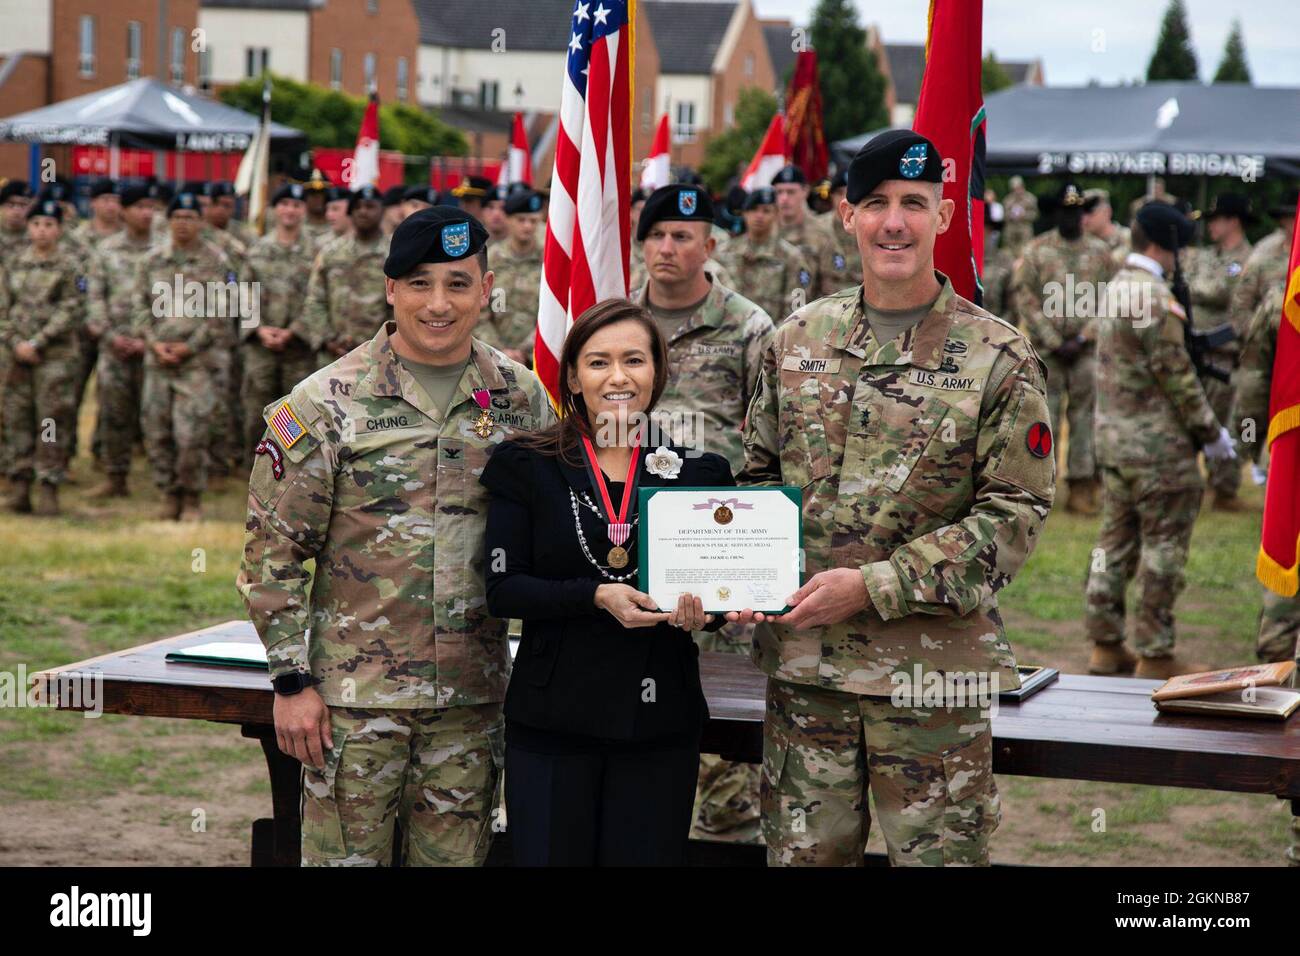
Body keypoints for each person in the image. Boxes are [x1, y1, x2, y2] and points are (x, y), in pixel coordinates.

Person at [734, 129, 1056, 867]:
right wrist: (743, 570)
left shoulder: (998, 356)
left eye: (914, 203)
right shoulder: (795, 341)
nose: (894, 222)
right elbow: (757, 480)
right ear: (846, 215)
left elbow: (1013, 517)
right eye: (876, 203)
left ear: (945, 217)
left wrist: (874, 587)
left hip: (931, 683)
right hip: (807, 676)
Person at [238, 206, 554, 866]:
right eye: (418, 283)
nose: (438, 303)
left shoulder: (520, 398)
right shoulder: (325, 403)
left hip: (470, 703)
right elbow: (273, 555)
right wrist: (291, 683)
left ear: (488, 289)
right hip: (354, 707)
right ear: (390, 290)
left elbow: (557, 524)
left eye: (458, 283)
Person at [479, 297, 733, 865]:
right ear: (572, 375)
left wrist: (711, 611)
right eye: (598, 362)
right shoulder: (527, 465)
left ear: (657, 371)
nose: (618, 377)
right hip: (553, 721)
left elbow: (721, 595)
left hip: (658, 719)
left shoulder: (699, 472)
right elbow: (503, 590)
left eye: (634, 360)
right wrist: (594, 594)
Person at [628, 182, 775, 843]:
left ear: (710, 245)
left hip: (718, 534)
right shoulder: (616, 320)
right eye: (656, 234)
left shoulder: (749, 326)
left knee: (723, 694)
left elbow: (774, 439)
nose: (667, 247)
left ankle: (726, 826)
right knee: (629, 680)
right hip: (623, 534)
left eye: (682, 236)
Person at [1084, 202, 1236, 679]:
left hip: (1113, 443)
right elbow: (1178, 376)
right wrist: (1212, 435)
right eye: (1179, 245)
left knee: (1112, 544)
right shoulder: (1154, 296)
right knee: (1163, 549)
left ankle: (1105, 645)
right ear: (1164, 244)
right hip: (1159, 452)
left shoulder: (1115, 288)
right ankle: (1155, 652)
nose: (1181, 255)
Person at [133, 190, 238, 521]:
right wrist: (152, 343)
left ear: (200, 222)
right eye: (178, 217)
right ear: (168, 221)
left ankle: (192, 496)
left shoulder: (217, 261)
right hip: (157, 359)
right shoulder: (151, 262)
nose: (183, 224)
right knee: (156, 429)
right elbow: (137, 307)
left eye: (190, 217)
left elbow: (223, 311)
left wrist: (190, 346)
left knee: (191, 433)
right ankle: (169, 494)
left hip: (197, 363)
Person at [1011, 182, 1115, 514]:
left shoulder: (1101, 252)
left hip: (1086, 352)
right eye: (1066, 212)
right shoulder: (1036, 250)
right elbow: (1025, 297)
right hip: (1047, 352)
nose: (1073, 219)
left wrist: (1085, 336)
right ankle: (1041, 488)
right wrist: (1054, 340)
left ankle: (1082, 487)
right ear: (1057, 214)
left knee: (1086, 419)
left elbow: (1111, 299)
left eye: (1077, 212)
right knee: (1044, 418)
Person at [0, 199, 84, 515]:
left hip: (55, 356)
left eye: (49, 225)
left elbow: (71, 309)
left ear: (59, 229)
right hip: (16, 355)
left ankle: (49, 485)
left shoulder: (70, 266)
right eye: (36, 224)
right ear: (28, 227)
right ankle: (19, 484)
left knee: (50, 420)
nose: (42, 231)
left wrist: (38, 341)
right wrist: (16, 342)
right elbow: (3, 308)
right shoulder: (13, 263)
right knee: (16, 418)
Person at [84, 183, 162, 499]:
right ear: (124, 211)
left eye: (151, 207)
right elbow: (93, 299)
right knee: (114, 413)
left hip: (155, 348)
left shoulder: (165, 251)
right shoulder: (106, 251)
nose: (146, 213)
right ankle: (115, 477)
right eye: (139, 207)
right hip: (114, 347)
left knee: (157, 416)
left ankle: (166, 484)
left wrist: (150, 341)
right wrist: (110, 336)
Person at [1186, 192, 1255, 511]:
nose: (1211, 226)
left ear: (1234, 222)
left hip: (1225, 355)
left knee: (1225, 422)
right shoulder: (1206, 256)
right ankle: (1190, 483)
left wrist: (1193, 288)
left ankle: (1224, 488)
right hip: (1194, 353)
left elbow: (1216, 291)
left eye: (1217, 219)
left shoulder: (1246, 259)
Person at [240, 183, 319, 452]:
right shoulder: (257, 250)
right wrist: (259, 329)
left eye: (296, 205)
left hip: (298, 346)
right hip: (261, 346)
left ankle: (289, 466)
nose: (290, 210)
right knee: (256, 409)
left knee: (296, 410)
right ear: (274, 210)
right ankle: (257, 465)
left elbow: (319, 297)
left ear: (304, 210)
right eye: (284, 204)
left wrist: (294, 331)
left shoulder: (318, 252)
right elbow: (244, 293)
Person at [302, 185, 391, 361]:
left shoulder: (394, 253)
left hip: (379, 355)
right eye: (357, 207)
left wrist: (384, 343)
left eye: (370, 206)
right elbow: (315, 300)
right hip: (332, 354)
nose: (363, 212)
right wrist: (327, 339)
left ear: (382, 211)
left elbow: (399, 306)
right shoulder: (331, 252)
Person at [715, 186, 812, 327]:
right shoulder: (725, 252)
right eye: (753, 210)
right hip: (729, 337)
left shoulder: (791, 256)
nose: (759, 216)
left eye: (766, 211)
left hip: (772, 339)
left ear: (776, 214)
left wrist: (770, 340)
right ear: (744, 213)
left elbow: (796, 311)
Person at [477, 188, 543, 365]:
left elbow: (555, 311)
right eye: (521, 220)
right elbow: (478, 311)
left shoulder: (548, 262)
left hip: (537, 357)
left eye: (533, 221)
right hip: (492, 357)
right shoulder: (490, 260)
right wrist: (499, 350)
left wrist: (525, 350)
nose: (527, 226)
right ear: (507, 219)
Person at [772, 164, 829, 295]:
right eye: (779, 192)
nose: (784, 198)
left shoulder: (821, 233)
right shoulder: (767, 231)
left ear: (805, 192)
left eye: (791, 192)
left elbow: (831, 286)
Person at [816, 169, 864, 298]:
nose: (845, 198)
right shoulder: (817, 228)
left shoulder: (869, 227)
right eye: (839, 193)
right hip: (826, 305)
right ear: (832, 196)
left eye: (850, 192)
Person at [1081, 188, 1130, 266]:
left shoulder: (1129, 238)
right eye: (1081, 214)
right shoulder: (1079, 243)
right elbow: (1069, 276)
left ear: (1107, 211)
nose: (1084, 219)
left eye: (1091, 212)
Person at [1002, 175, 1038, 253]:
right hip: (1011, 228)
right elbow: (1004, 215)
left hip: (1025, 227)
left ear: (1022, 186)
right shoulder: (1008, 199)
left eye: (1018, 188)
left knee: (1026, 249)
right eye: (1014, 189)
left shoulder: (1030, 198)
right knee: (1009, 251)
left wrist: (1024, 215)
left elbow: (1035, 214)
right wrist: (1011, 215)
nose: (1016, 191)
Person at [0, 180, 32, 267]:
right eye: (11, 204)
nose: (16, 211)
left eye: (23, 205)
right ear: (2, 206)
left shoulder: (37, 236)